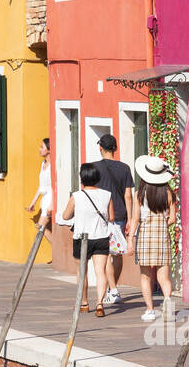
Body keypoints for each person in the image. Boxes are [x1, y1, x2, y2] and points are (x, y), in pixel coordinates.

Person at [44, 162, 115, 316]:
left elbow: (65, 216)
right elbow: (112, 217)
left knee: (81, 271)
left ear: (82, 178)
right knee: (100, 271)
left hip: (82, 238)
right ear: (97, 177)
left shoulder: (76, 196)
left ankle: (84, 302)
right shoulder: (107, 194)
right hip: (101, 236)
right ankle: (100, 303)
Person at [130, 155, 178, 322]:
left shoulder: (139, 194)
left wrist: (130, 239)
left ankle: (150, 310)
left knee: (145, 275)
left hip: (144, 237)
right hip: (162, 237)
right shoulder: (169, 194)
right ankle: (167, 302)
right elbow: (172, 219)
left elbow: (135, 219)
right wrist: (162, 224)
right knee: (163, 277)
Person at [94, 134, 137, 306]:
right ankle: (113, 289)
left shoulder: (94, 168)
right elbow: (128, 195)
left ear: (101, 148)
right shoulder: (125, 168)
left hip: (102, 215)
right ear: (115, 148)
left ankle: (113, 290)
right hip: (120, 214)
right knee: (117, 254)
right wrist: (130, 217)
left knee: (106, 254)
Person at [26, 137, 54, 236]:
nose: (39, 149)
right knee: (41, 228)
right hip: (45, 199)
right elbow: (41, 186)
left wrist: (52, 204)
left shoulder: (53, 166)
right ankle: (57, 248)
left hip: (50, 198)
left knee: (40, 227)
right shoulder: (43, 164)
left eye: (42, 147)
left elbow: (56, 187)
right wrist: (33, 203)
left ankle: (58, 250)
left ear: (49, 150)